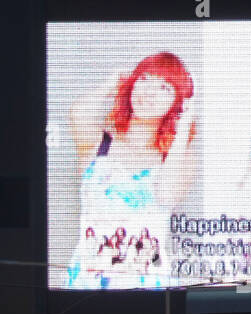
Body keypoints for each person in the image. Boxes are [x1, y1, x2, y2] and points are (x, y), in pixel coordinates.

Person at [66, 52, 198, 289]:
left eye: (164, 88)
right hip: (89, 284)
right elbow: (78, 114)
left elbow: (167, 195)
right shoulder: (99, 145)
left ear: (177, 104)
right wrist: (111, 84)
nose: (149, 92)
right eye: (144, 79)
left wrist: (183, 128)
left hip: (149, 287)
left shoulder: (177, 157)